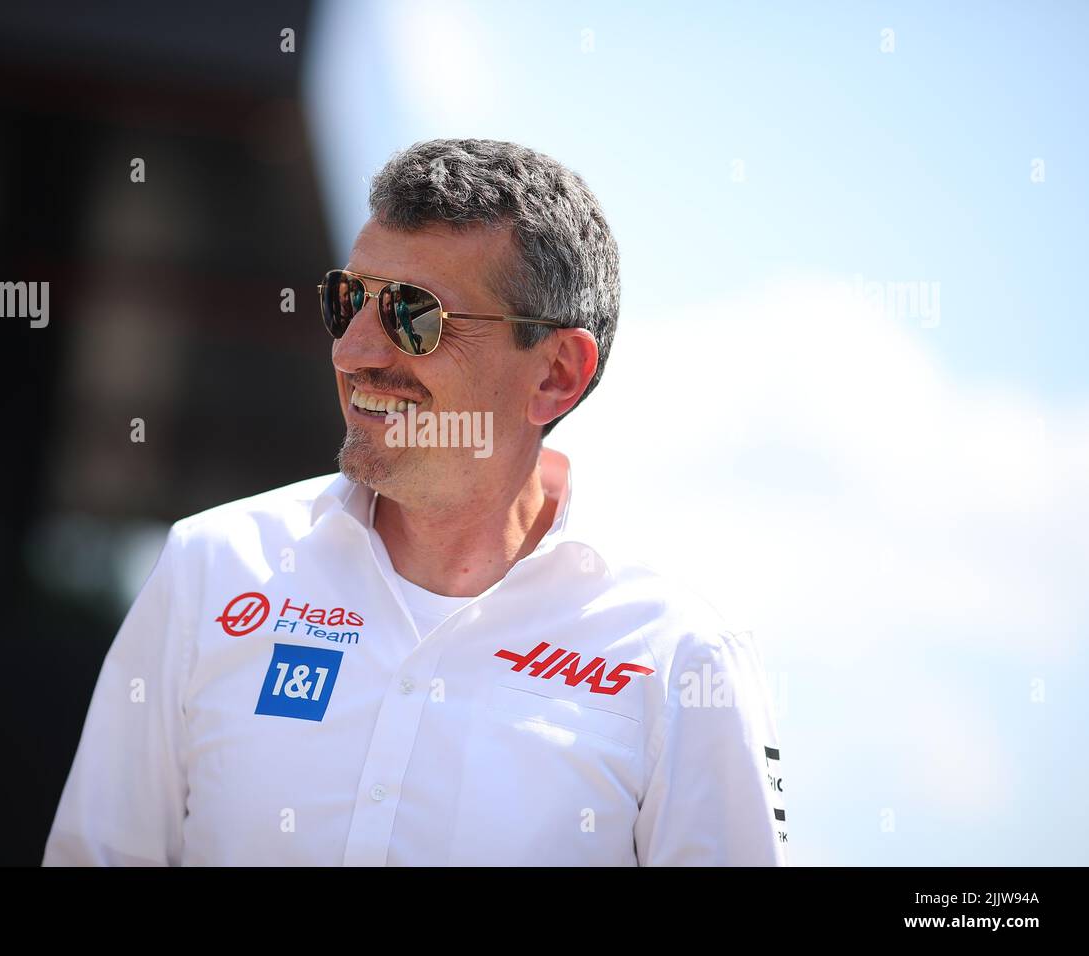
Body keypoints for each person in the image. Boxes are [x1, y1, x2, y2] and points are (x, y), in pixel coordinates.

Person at [43, 138, 787, 866]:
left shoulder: (682, 654)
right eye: (347, 301)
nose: (353, 351)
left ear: (556, 373)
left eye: (413, 315)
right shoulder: (212, 567)